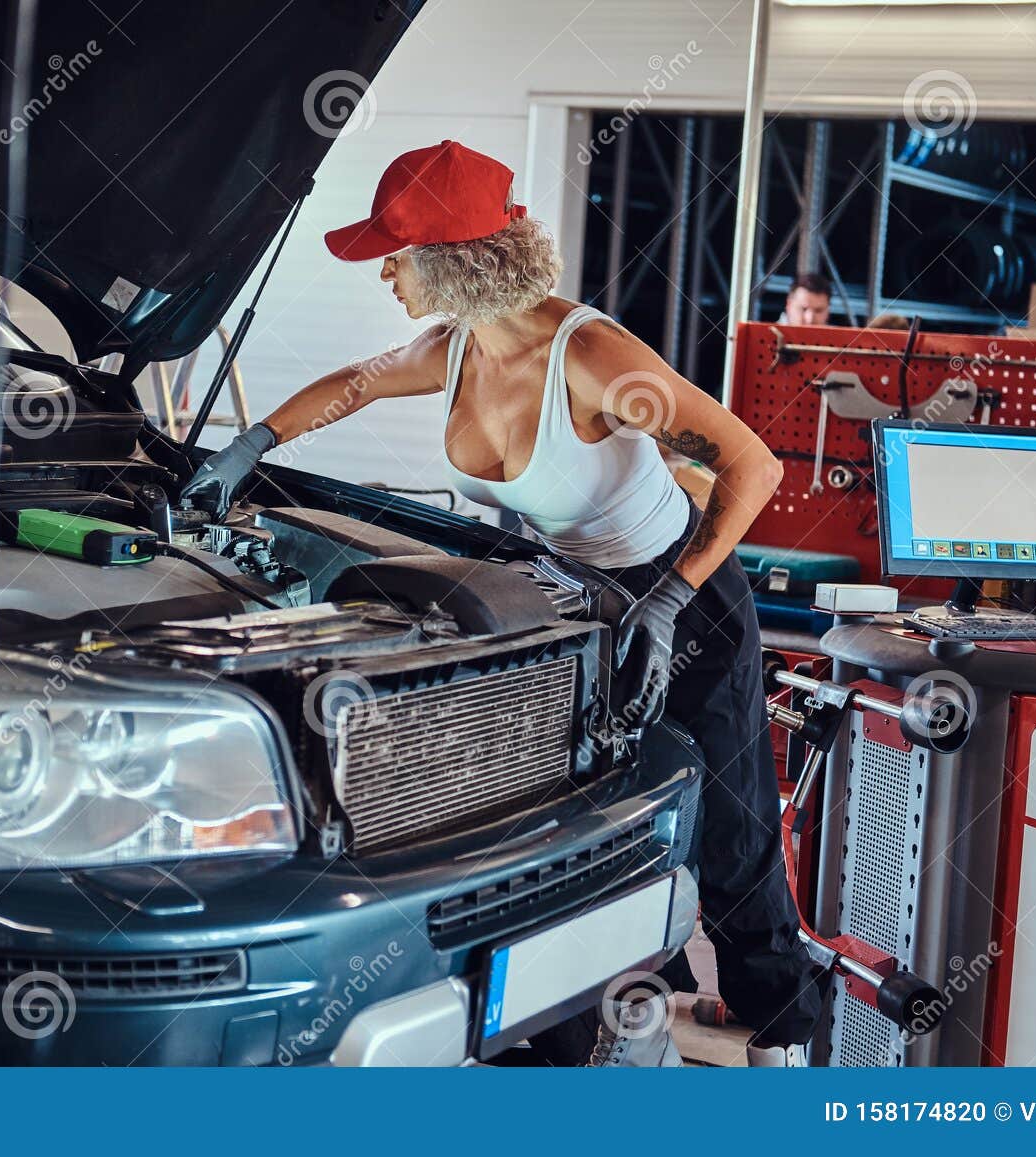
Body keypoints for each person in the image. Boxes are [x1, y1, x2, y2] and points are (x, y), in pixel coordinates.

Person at [182, 140, 822, 1067]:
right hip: (586, 607)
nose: (387, 273)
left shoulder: (592, 357)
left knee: (729, 837)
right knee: (592, 827)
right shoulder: (451, 351)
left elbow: (751, 463)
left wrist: (672, 600)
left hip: (686, 599)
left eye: (396, 255)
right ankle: (615, 1029)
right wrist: (252, 445)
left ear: (452, 258)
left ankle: (788, 1049)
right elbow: (354, 384)